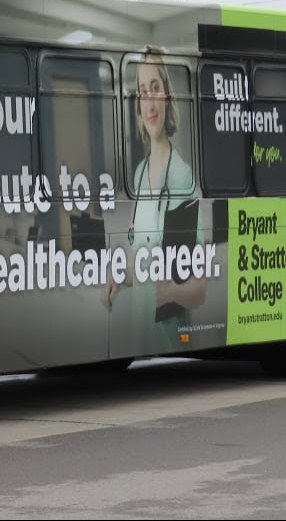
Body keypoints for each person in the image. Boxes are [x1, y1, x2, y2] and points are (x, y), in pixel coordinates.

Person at [103, 47, 206, 352]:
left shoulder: (183, 178)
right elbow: (144, 262)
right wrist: (119, 277)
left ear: (167, 96)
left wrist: (173, 291)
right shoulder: (138, 174)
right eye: (142, 91)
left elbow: (199, 289)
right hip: (139, 333)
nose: (149, 101)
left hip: (169, 338)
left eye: (155, 88)